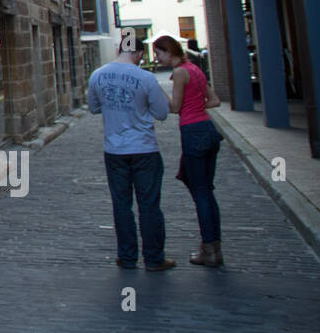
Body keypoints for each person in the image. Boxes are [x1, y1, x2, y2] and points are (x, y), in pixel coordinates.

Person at [87, 31, 175, 270]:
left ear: (119, 50)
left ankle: (127, 256)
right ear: (138, 54)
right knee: (149, 203)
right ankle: (154, 258)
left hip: (114, 149)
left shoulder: (98, 75)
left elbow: (93, 107)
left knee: (121, 204)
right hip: (144, 148)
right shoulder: (145, 78)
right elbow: (162, 113)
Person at [153, 34, 224, 267]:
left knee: (200, 193)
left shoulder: (180, 73)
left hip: (192, 132)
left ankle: (208, 249)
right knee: (207, 190)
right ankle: (215, 248)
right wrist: (196, 105)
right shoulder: (195, 69)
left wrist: (155, 88)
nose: (157, 57)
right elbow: (214, 101)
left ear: (168, 51)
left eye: (159, 53)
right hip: (208, 129)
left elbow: (174, 107)